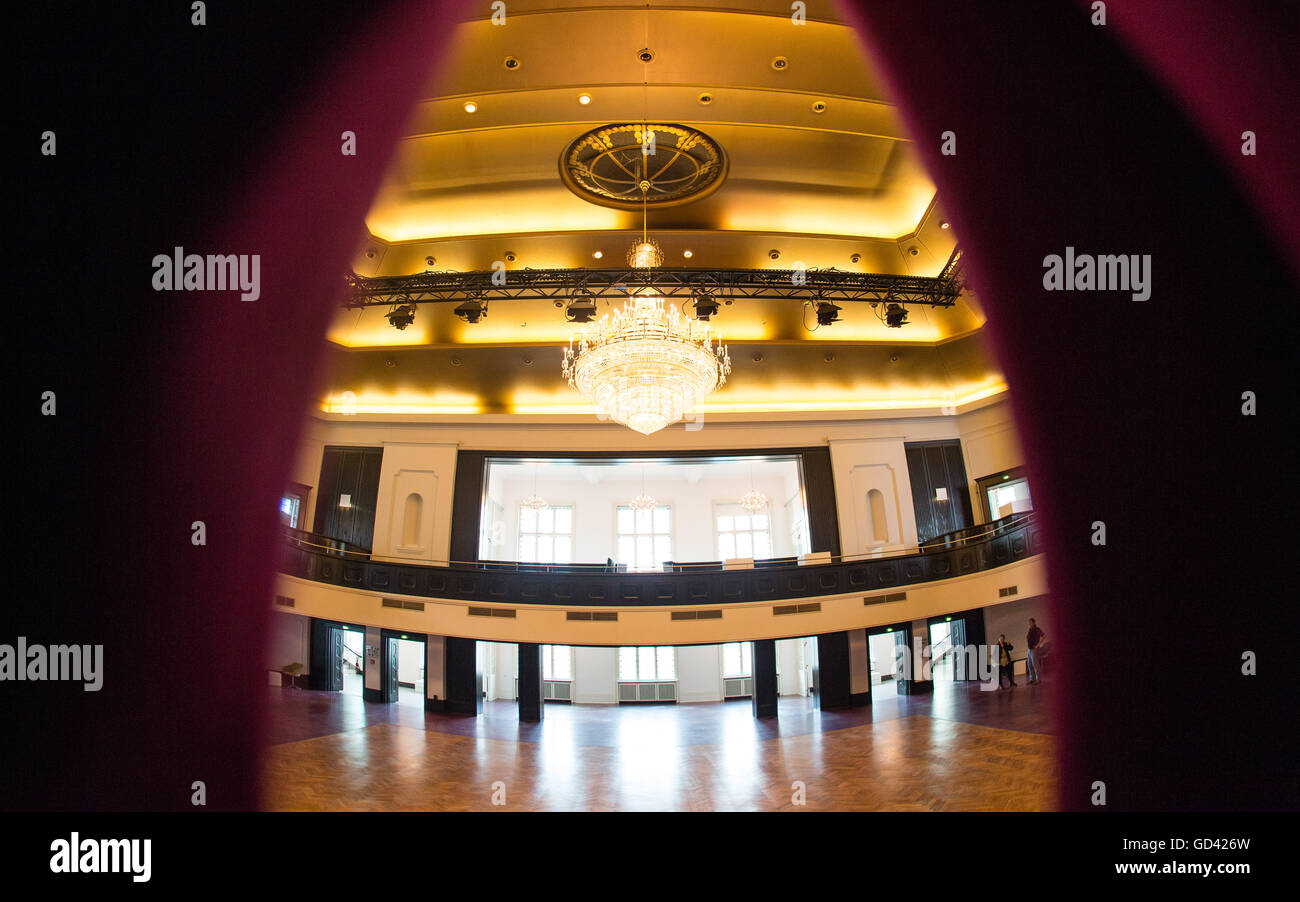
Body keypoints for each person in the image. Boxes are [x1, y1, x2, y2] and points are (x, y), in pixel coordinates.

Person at [1026, 618, 1046, 683]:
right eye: (1029, 623)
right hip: (1029, 649)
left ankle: (1038, 679)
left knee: (1035, 664)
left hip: (1034, 649)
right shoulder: (1030, 629)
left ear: (1034, 623)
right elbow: (1027, 637)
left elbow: (1044, 636)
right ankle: (1032, 679)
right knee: (1029, 664)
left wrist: (1038, 645)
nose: (1029, 624)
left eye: (1030, 622)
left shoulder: (1037, 629)